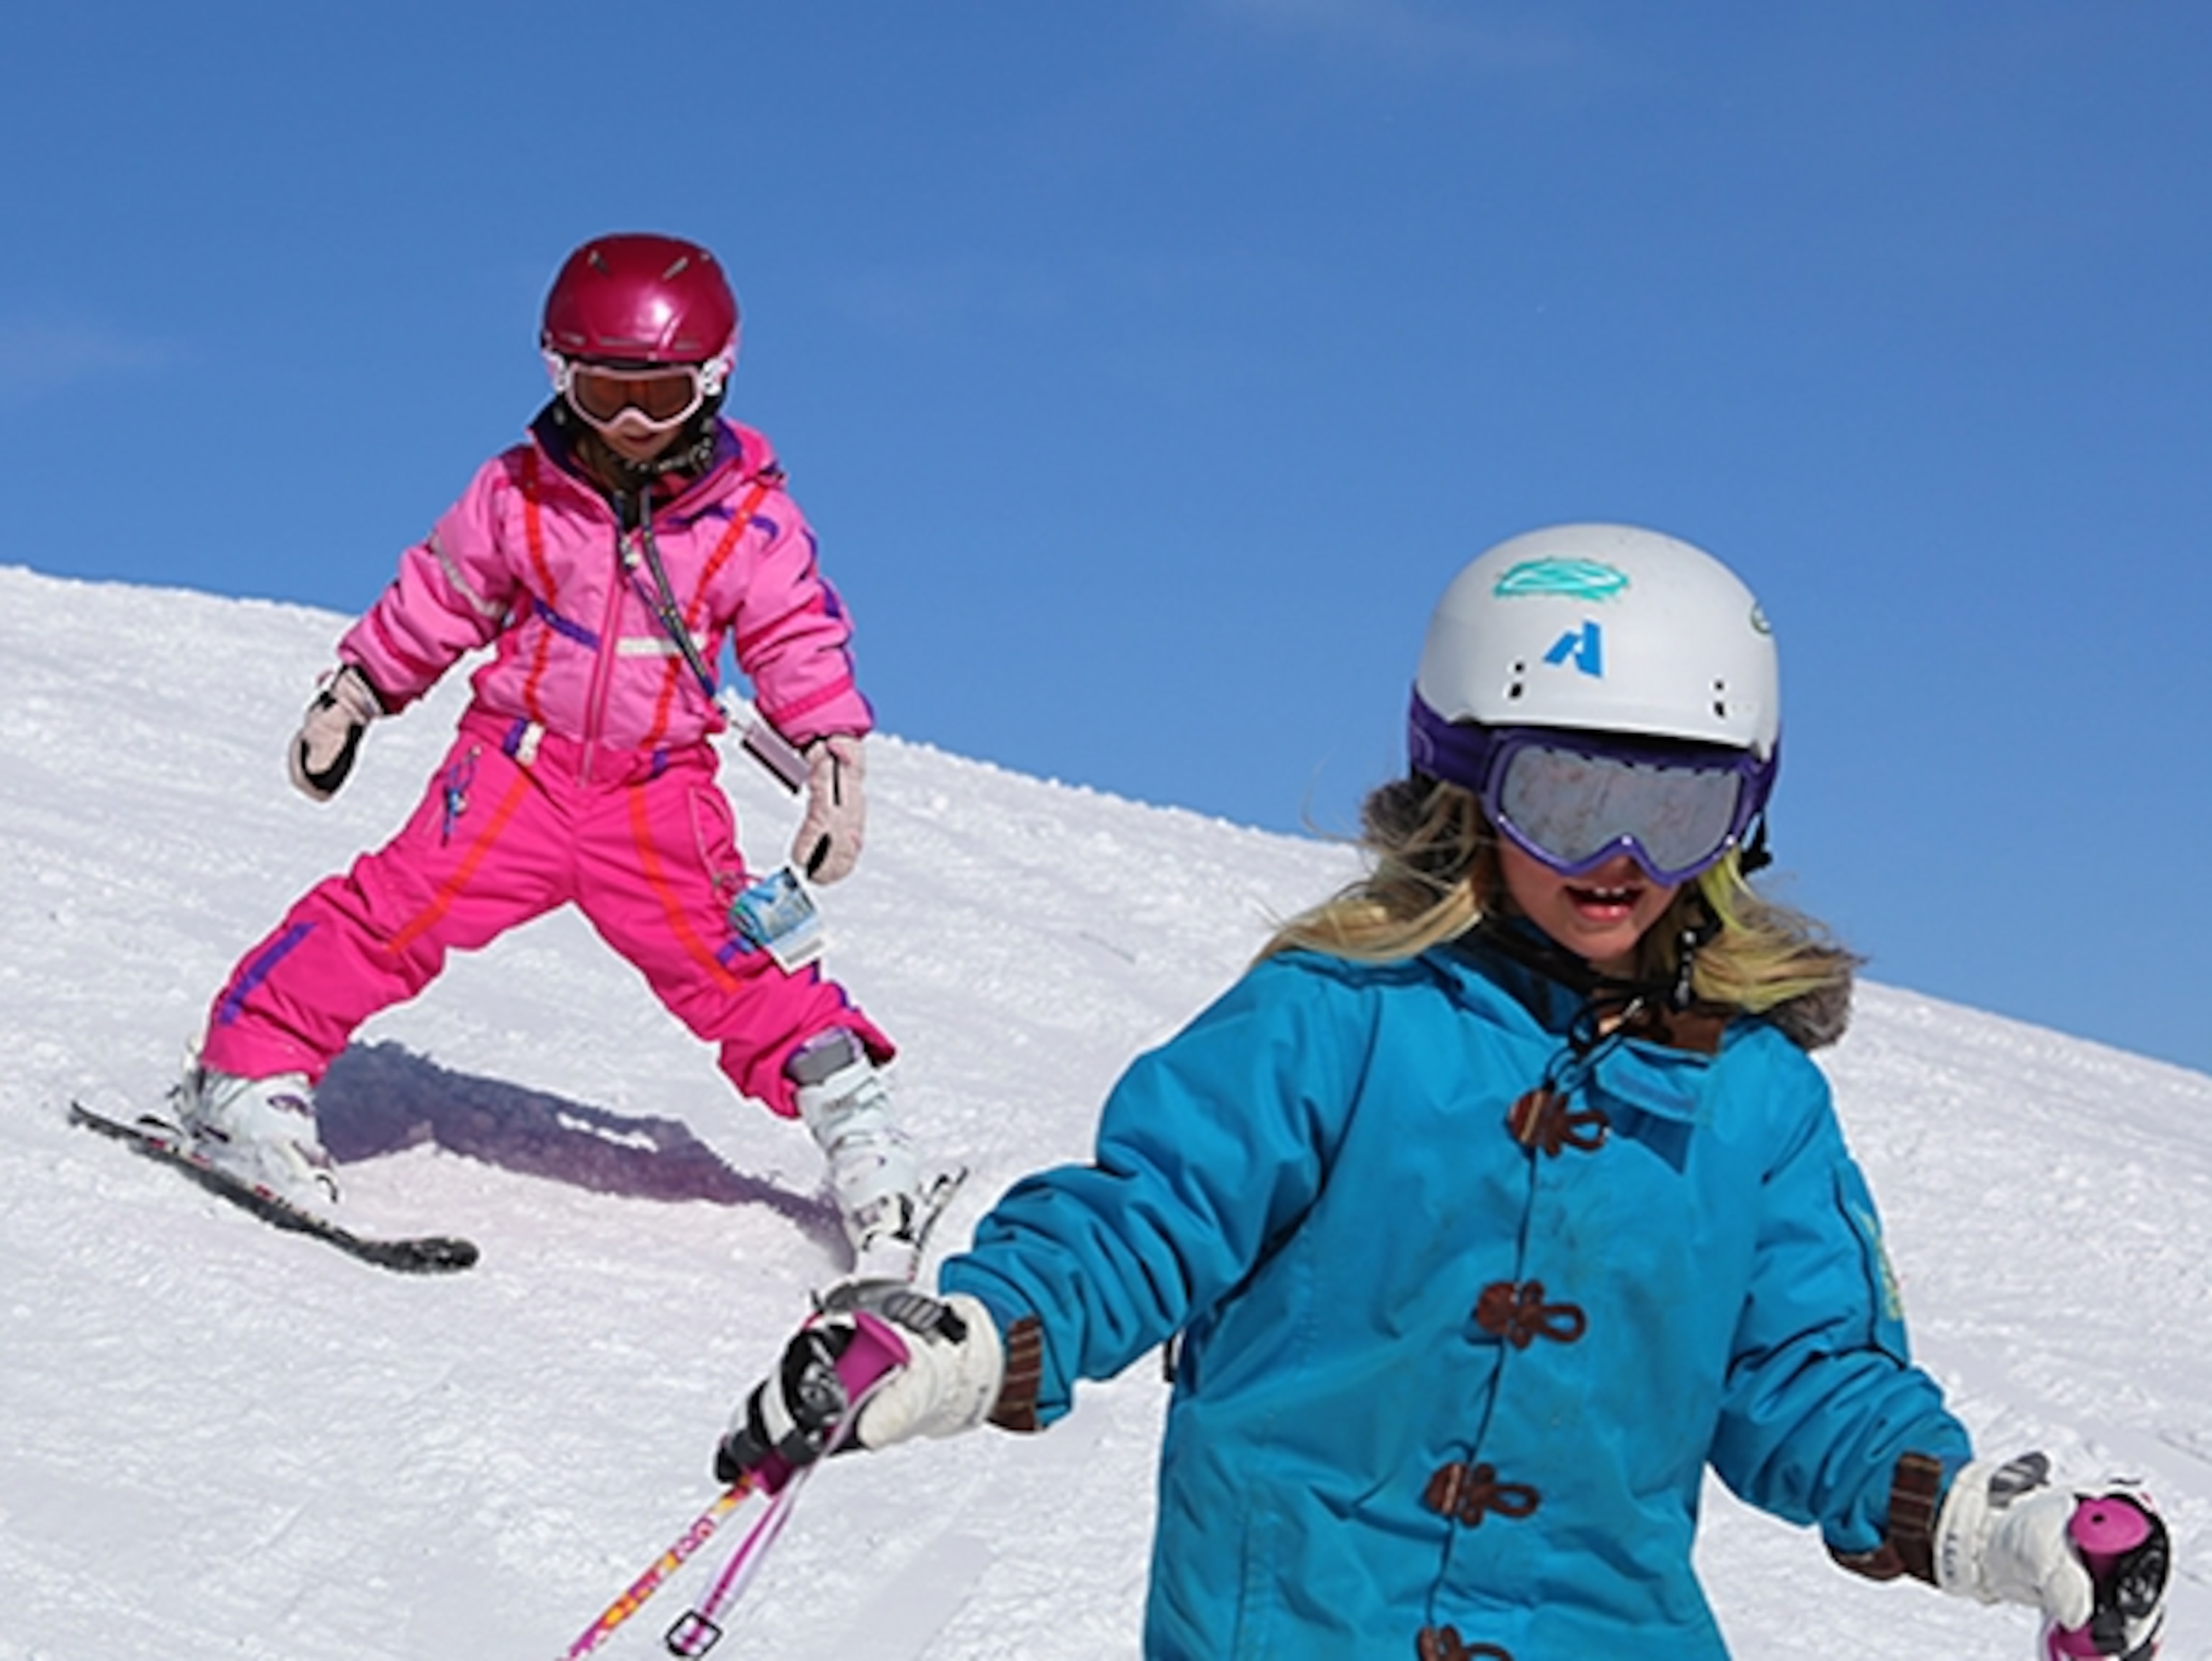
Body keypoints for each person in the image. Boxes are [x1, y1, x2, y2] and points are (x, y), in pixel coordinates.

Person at [716, 525, 2170, 1657]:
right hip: (1297, 1627)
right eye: (1566, 790)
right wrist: (967, 1337)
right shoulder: (1339, 1016)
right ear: (1466, 783)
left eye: (1677, 805)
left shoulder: (1755, 1098)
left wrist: (1982, 1515)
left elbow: (1803, 1380)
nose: (1619, 853)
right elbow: (1149, 1216)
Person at [174, 232, 941, 1282]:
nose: (628, 423)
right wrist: (357, 692)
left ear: (712, 382)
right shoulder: (520, 492)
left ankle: (863, 1132)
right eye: (599, 388)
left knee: (738, 969)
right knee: (395, 911)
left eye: (659, 395)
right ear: (557, 374)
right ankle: (244, 1072)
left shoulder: (748, 517)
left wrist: (831, 755)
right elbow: (442, 595)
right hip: (514, 775)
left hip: (657, 797)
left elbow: (797, 634)